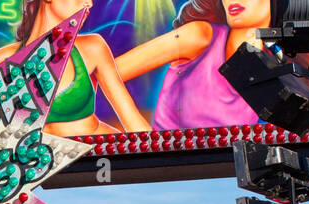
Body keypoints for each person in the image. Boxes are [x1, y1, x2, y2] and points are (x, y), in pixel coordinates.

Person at [0, 0, 148, 135]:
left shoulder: (92, 48)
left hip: (96, 160)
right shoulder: (3, 59)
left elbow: (134, 122)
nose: (89, 3)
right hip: (40, 167)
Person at [113, 0, 271, 130]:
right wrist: (143, 135)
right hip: (162, 163)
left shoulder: (277, 69)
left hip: (225, 166)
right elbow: (102, 71)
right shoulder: (199, 36)